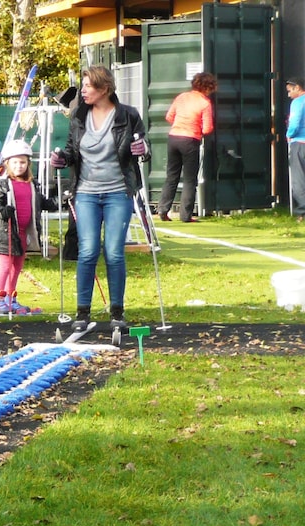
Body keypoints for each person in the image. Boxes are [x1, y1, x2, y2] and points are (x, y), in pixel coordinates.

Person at [50, 65, 148, 334]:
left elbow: (143, 147)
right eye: (83, 86)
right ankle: (82, 312)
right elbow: (71, 151)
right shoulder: (78, 116)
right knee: (88, 250)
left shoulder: (128, 115)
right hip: (86, 193)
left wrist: (142, 148)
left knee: (114, 252)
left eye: (88, 86)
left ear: (105, 89)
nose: (82, 90)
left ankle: (117, 312)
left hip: (118, 191)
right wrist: (61, 159)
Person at [0, 140, 55, 315]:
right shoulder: (3, 183)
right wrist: (3, 210)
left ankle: (11, 297)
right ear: (8, 163)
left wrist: (58, 201)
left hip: (23, 233)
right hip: (6, 232)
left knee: (17, 266)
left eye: (23, 162)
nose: (19, 166)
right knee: (6, 266)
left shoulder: (32, 184)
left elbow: (41, 203)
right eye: (15, 162)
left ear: (28, 164)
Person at [157, 72, 216, 223]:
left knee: (171, 176)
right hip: (190, 140)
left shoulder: (182, 97)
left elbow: (169, 116)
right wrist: (198, 130)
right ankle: (185, 215)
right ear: (208, 88)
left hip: (174, 137)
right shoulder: (205, 103)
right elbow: (208, 128)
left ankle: (163, 209)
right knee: (190, 179)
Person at [286, 78, 305, 216]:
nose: (288, 95)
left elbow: (295, 121)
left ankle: (302, 212)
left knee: (298, 180)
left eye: (290, 91)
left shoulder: (298, 102)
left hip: (299, 143)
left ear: (297, 88)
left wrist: (289, 134)